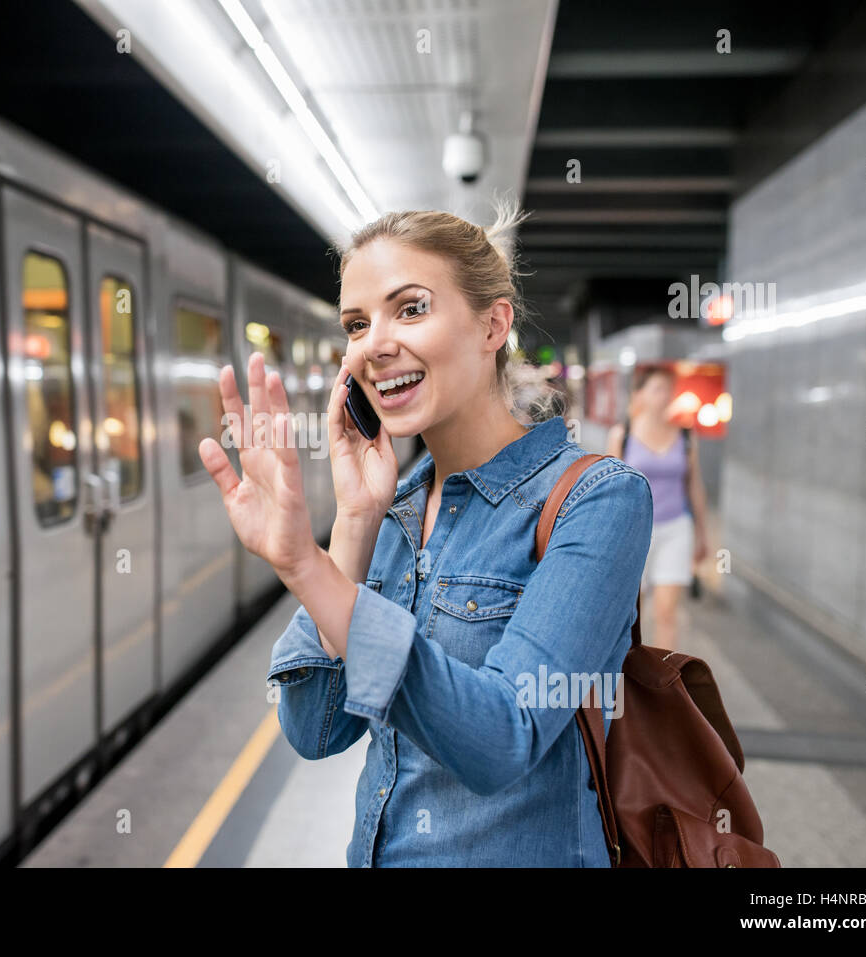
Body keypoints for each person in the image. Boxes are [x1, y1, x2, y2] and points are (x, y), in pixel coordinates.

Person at [198, 204, 653, 867]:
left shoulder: (599, 499)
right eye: (357, 323)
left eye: (410, 309)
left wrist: (303, 563)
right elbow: (318, 727)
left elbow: (504, 736)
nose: (374, 343)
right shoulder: (396, 510)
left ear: (493, 323)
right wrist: (352, 523)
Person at [605, 364, 709, 651]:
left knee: (665, 612)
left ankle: (664, 686)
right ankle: (628, 679)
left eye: (670, 389)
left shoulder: (686, 436)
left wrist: (703, 534)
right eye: (658, 388)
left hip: (676, 529)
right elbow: (612, 490)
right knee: (629, 615)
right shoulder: (621, 435)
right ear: (641, 394)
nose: (665, 396)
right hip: (635, 532)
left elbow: (695, 485)